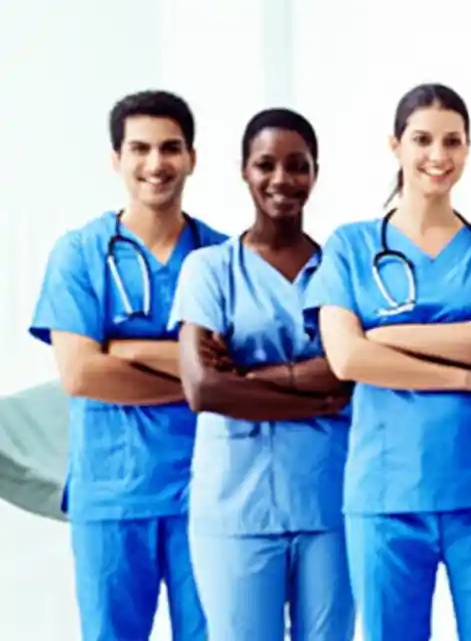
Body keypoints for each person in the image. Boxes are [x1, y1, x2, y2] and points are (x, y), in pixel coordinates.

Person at [305, 83, 471, 641]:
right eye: (422, 139)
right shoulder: (350, 246)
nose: (438, 155)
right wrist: (465, 376)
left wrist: (389, 335)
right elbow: (348, 358)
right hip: (385, 497)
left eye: (453, 141)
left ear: (469, 149)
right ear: (395, 145)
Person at [29, 89, 223, 640]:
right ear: (117, 159)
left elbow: (232, 372)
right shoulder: (81, 254)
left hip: (207, 492)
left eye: (170, 148)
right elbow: (80, 374)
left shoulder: (222, 258)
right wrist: (193, 375)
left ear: (191, 157)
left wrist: (125, 349)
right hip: (111, 494)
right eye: (140, 149)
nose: (156, 164)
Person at [169, 108, 355, 640]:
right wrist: (316, 396)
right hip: (236, 508)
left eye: (297, 165)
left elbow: (349, 372)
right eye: (265, 164)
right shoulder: (209, 270)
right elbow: (203, 388)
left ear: (315, 173)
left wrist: (248, 380)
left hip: (328, 502)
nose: (281, 179)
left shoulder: (339, 269)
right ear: (244, 171)